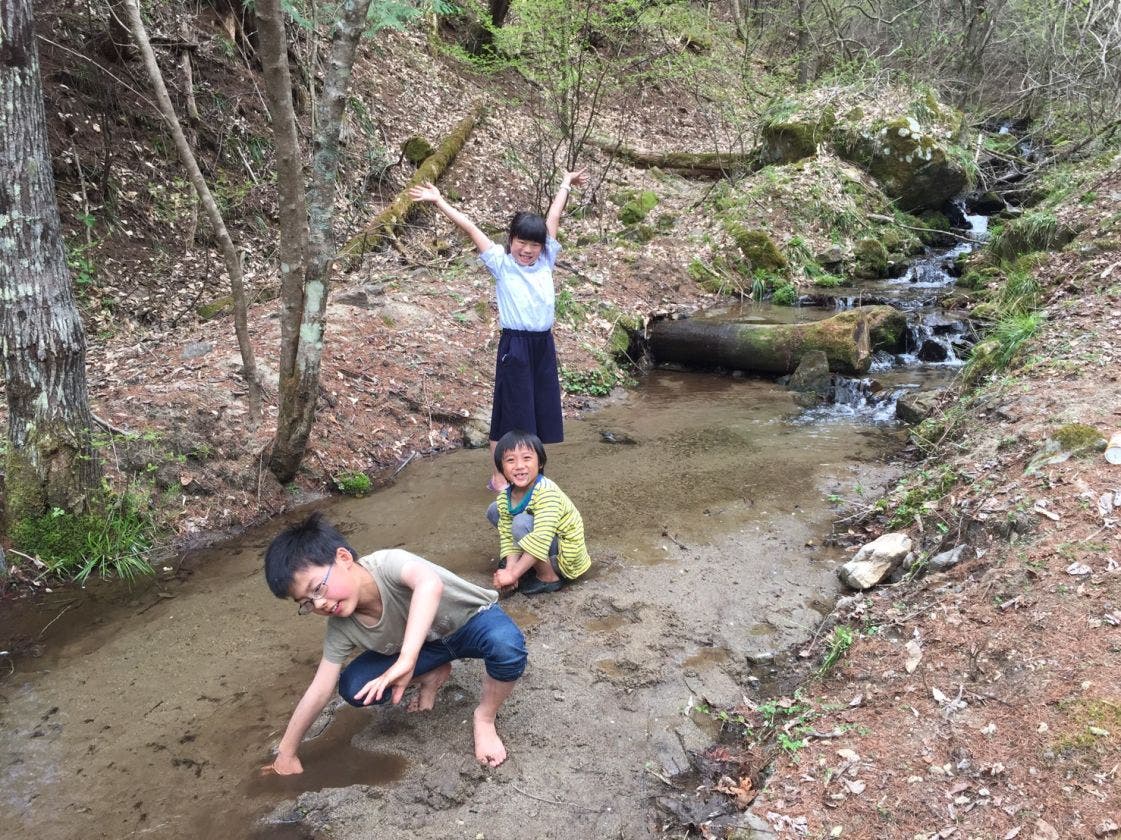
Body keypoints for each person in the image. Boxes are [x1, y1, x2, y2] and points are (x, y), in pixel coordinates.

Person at [261, 513, 527, 772]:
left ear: (343, 558)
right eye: (307, 603)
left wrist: (407, 660)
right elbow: (320, 689)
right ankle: (433, 672)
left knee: (507, 646)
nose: (319, 603)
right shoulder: (340, 627)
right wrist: (287, 752)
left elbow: (429, 584)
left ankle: (485, 716)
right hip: (428, 648)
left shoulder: (388, 563)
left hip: (471, 622)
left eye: (318, 588)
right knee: (354, 688)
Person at [408, 167, 590, 492]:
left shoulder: (546, 259)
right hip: (516, 346)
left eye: (534, 244)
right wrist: (439, 201)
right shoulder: (501, 264)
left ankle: (529, 474)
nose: (528, 249)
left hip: (542, 346)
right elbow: (470, 228)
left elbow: (554, 217)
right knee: (508, 413)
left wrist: (564, 183)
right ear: (512, 240)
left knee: (537, 409)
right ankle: (498, 477)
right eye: (522, 242)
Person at [486, 429, 591, 595]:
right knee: (494, 510)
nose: (519, 466)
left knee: (520, 523)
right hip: (542, 544)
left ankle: (548, 576)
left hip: (566, 557)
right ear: (501, 467)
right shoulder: (505, 497)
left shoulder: (546, 491)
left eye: (527, 458)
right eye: (510, 460)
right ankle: (526, 565)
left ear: (540, 463)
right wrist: (510, 568)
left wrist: (513, 574)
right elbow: (507, 536)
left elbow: (542, 537)